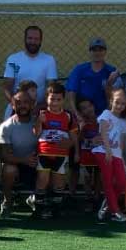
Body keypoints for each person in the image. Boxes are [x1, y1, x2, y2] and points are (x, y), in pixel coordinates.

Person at [32, 83, 78, 219]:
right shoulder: (42, 113)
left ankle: (56, 210)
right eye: (52, 99)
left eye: (58, 99)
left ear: (63, 100)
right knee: (42, 180)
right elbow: (35, 133)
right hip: (44, 152)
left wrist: (76, 152)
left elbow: (74, 135)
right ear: (47, 98)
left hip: (61, 154)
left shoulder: (68, 116)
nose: (55, 102)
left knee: (59, 182)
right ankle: (39, 209)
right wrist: (39, 122)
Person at [0, 89, 39, 218]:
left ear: (32, 104)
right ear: (13, 105)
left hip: (36, 164)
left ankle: (37, 201)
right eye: (18, 103)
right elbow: (4, 156)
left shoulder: (39, 124)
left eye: (26, 102)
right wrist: (24, 160)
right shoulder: (6, 126)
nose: (22, 106)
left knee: (51, 167)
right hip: (16, 164)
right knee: (8, 169)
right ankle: (7, 202)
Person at [93, 88, 126, 223]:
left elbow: (121, 143)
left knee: (122, 183)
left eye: (123, 103)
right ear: (111, 101)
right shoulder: (106, 114)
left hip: (116, 154)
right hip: (103, 151)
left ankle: (107, 204)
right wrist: (108, 150)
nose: (120, 106)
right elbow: (103, 132)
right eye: (117, 102)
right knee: (108, 182)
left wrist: (123, 160)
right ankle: (115, 212)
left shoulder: (123, 122)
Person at [2, 26, 57, 117]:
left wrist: (39, 107)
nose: (33, 42)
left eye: (36, 39)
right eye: (30, 38)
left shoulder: (49, 60)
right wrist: (15, 103)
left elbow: (51, 88)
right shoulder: (13, 59)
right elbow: (7, 86)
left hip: (39, 110)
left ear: (40, 41)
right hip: (15, 109)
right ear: (25, 39)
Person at [66, 37, 116, 115]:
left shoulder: (111, 71)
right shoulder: (79, 70)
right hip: (83, 114)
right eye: (94, 50)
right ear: (89, 52)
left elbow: (116, 96)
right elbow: (71, 92)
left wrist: (109, 114)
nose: (97, 53)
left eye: (100, 50)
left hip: (105, 113)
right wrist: (76, 113)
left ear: (105, 52)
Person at [74, 98, 101, 213]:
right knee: (87, 178)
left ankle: (97, 198)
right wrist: (81, 128)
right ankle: (88, 199)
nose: (88, 110)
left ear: (93, 106)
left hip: (99, 154)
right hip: (86, 154)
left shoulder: (101, 120)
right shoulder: (82, 123)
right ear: (80, 112)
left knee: (98, 177)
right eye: (84, 108)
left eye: (89, 106)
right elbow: (77, 139)